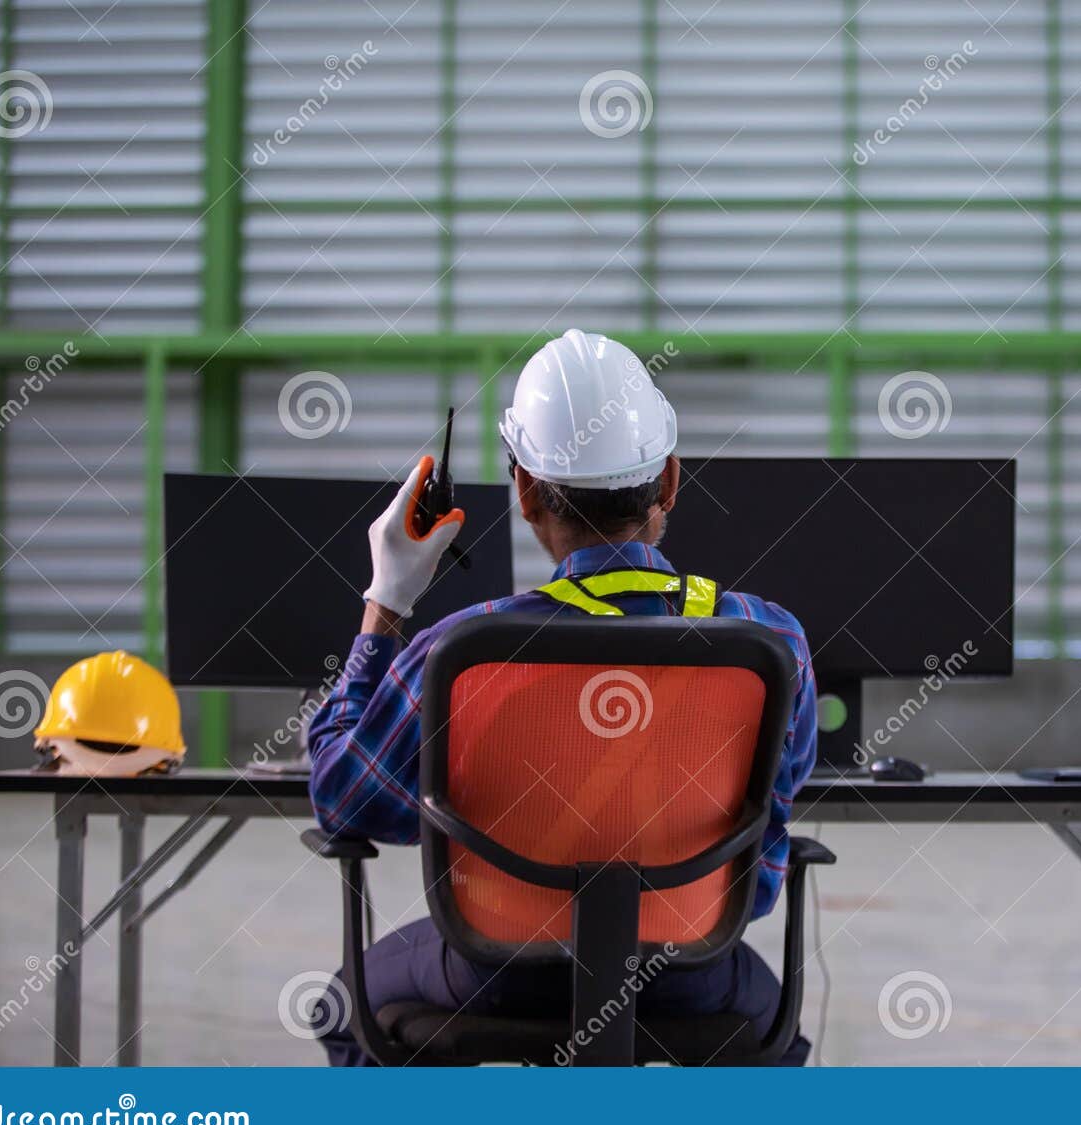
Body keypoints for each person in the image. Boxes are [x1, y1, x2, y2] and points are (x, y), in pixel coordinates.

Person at [307, 328, 818, 1065]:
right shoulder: (772, 642)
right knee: (776, 1041)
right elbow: (763, 846)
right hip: (689, 970)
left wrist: (385, 602)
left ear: (522, 492)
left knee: (344, 1008)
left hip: (495, 971)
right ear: (670, 480)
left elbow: (342, 799)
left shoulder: (463, 651)